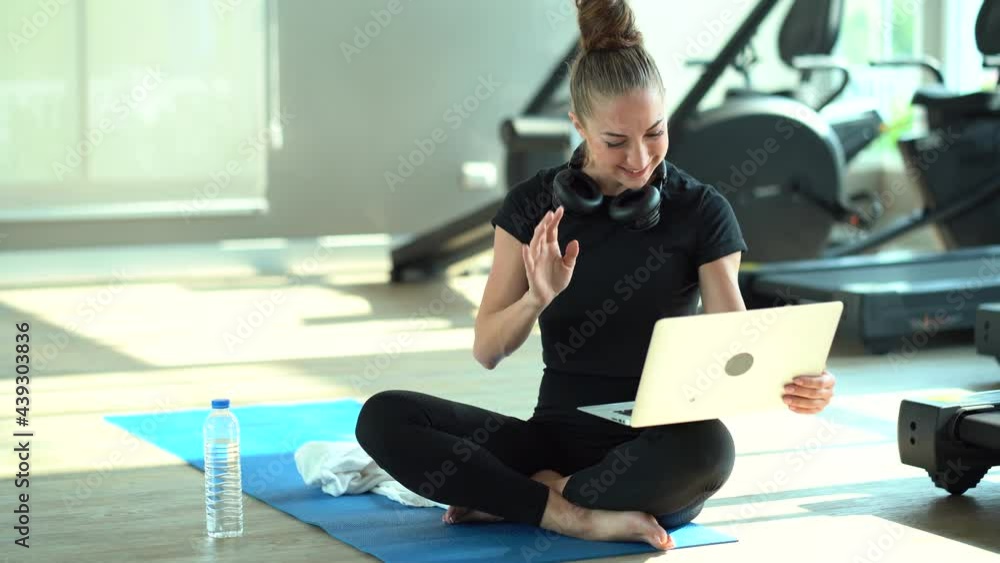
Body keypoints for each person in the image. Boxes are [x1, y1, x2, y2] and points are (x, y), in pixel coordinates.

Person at [356, 0, 837, 551]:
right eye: (615, 142)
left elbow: (736, 343)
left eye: (655, 134)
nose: (640, 159)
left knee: (712, 451)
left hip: (656, 446)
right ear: (579, 126)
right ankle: (572, 514)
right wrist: (536, 297)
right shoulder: (532, 206)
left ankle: (534, 496)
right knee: (384, 416)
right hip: (554, 434)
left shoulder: (700, 210)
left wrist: (804, 381)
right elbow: (488, 349)